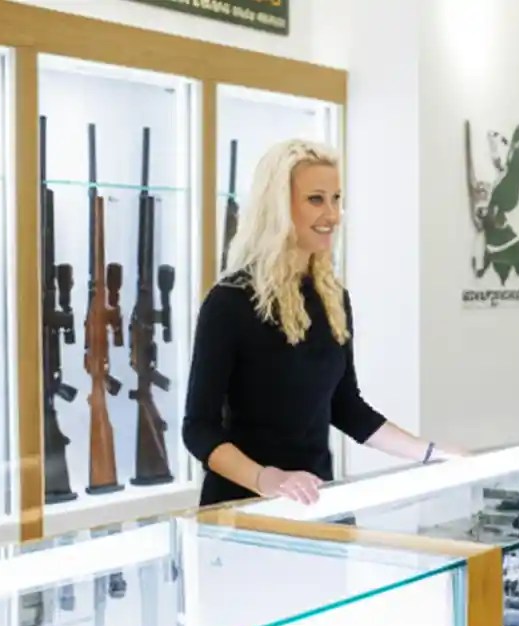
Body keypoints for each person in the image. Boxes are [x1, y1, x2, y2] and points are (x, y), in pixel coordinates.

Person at [183, 139, 461, 508]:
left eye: (336, 199)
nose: (332, 215)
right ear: (279, 207)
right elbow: (199, 429)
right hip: (241, 510)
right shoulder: (229, 302)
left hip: (318, 502)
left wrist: (430, 452)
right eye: (316, 199)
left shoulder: (333, 297)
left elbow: (347, 407)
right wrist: (267, 478)